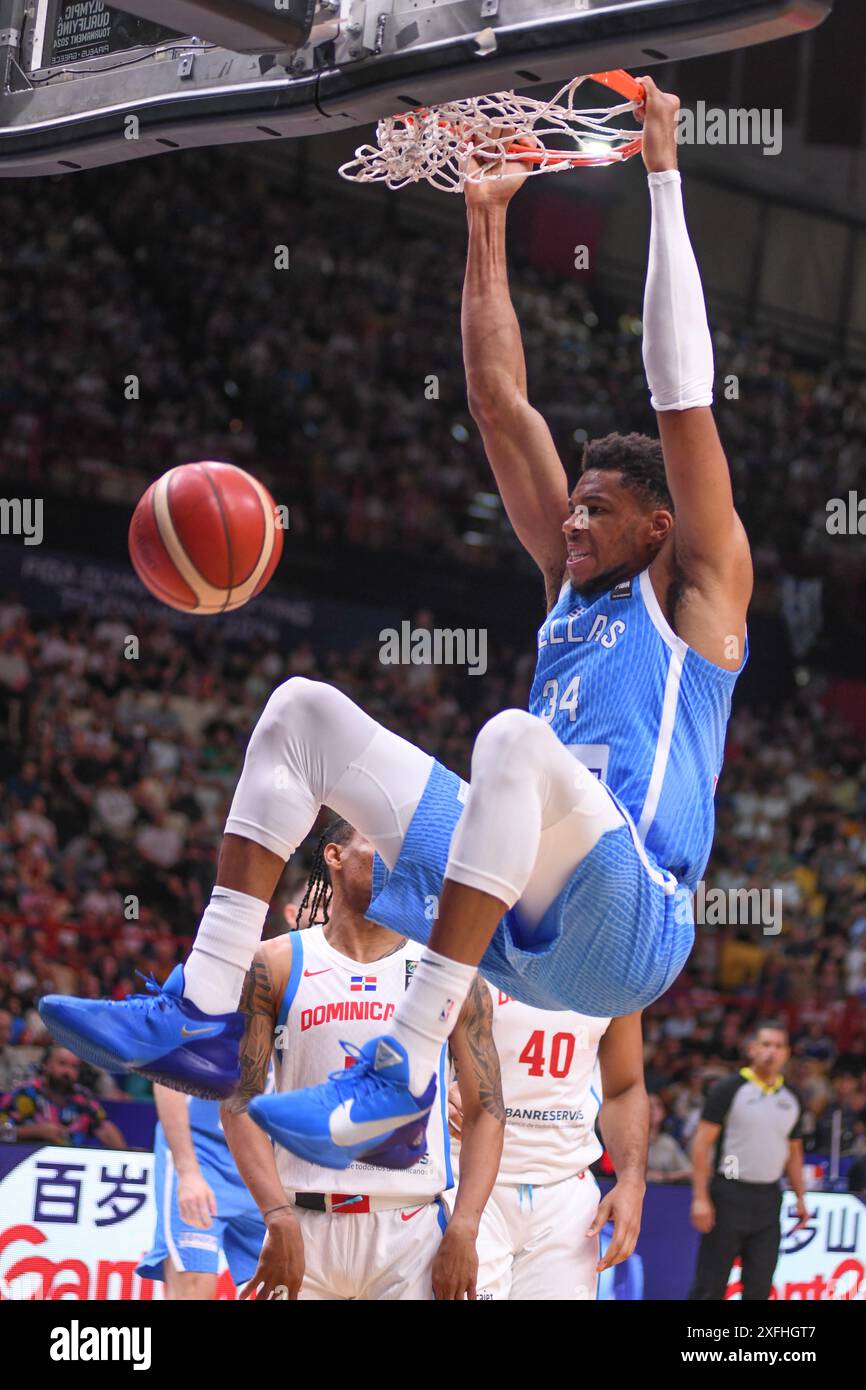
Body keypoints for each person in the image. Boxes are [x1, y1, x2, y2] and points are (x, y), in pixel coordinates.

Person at [38, 78, 751, 1176]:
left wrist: (661, 174)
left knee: (513, 739)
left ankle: (402, 1078)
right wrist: (483, 217)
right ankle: (203, 1000)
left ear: (660, 526)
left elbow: (681, 396)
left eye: (595, 508)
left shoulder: (699, 592)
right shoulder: (566, 588)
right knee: (299, 718)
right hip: (523, 936)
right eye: (571, 502)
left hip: (633, 924)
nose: (568, 515)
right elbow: (496, 403)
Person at [222, 819, 504, 1300]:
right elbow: (238, 1100)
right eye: (380, 845)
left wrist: (466, 1225)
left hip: (410, 1229)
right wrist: (275, 1215)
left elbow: (488, 1111)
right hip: (303, 1223)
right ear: (334, 855)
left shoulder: (448, 973)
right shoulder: (276, 962)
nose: (397, 859)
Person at [448, 991, 647, 1300]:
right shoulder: (472, 949)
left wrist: (632, 1180)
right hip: (466, 1180)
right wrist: (434, 1096)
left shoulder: (613, 973)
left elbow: (625, 1087)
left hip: (566, 1190)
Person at [688, 1022, 808, 1300]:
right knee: (710, 1284)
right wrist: (700, 1197)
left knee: (759, 1287)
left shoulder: (792, 1097)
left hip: (768, 1197)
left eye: (779, 1046)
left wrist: (801, 1197)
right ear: (752, 1048)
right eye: (766, 1044)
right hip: (729, 1191)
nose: (772, 1052)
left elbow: (794, 1153)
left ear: (787, 1053)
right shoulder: (729, 1089)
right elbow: (701, 1144)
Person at [136, 1084, 266, 1300]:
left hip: (264, 1158)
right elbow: (165, 1075)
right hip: (201, 1150)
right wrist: (187, 1173)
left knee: (289, 1286)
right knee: (193, 1286)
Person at [0, 1045, 127, 1148]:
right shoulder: (25, 1093)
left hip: (67, 1166)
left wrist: (127, 1155)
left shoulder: (83, 1098)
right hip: (23, 1163)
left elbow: (104, 1128)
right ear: (47, 1064)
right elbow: (2, 1132)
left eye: (74, 1067)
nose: (68, 1072)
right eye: (62, 1064)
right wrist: (35, 1131)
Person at [646, 1093, 692, 1182]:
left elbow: (689, 1172)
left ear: (663, 1113)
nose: (652, 1110)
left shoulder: (668, 1142)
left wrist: (664, 1176)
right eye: (648, 1106)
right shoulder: (631, 1141)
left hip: (665, 1192)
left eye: (658, 1105)